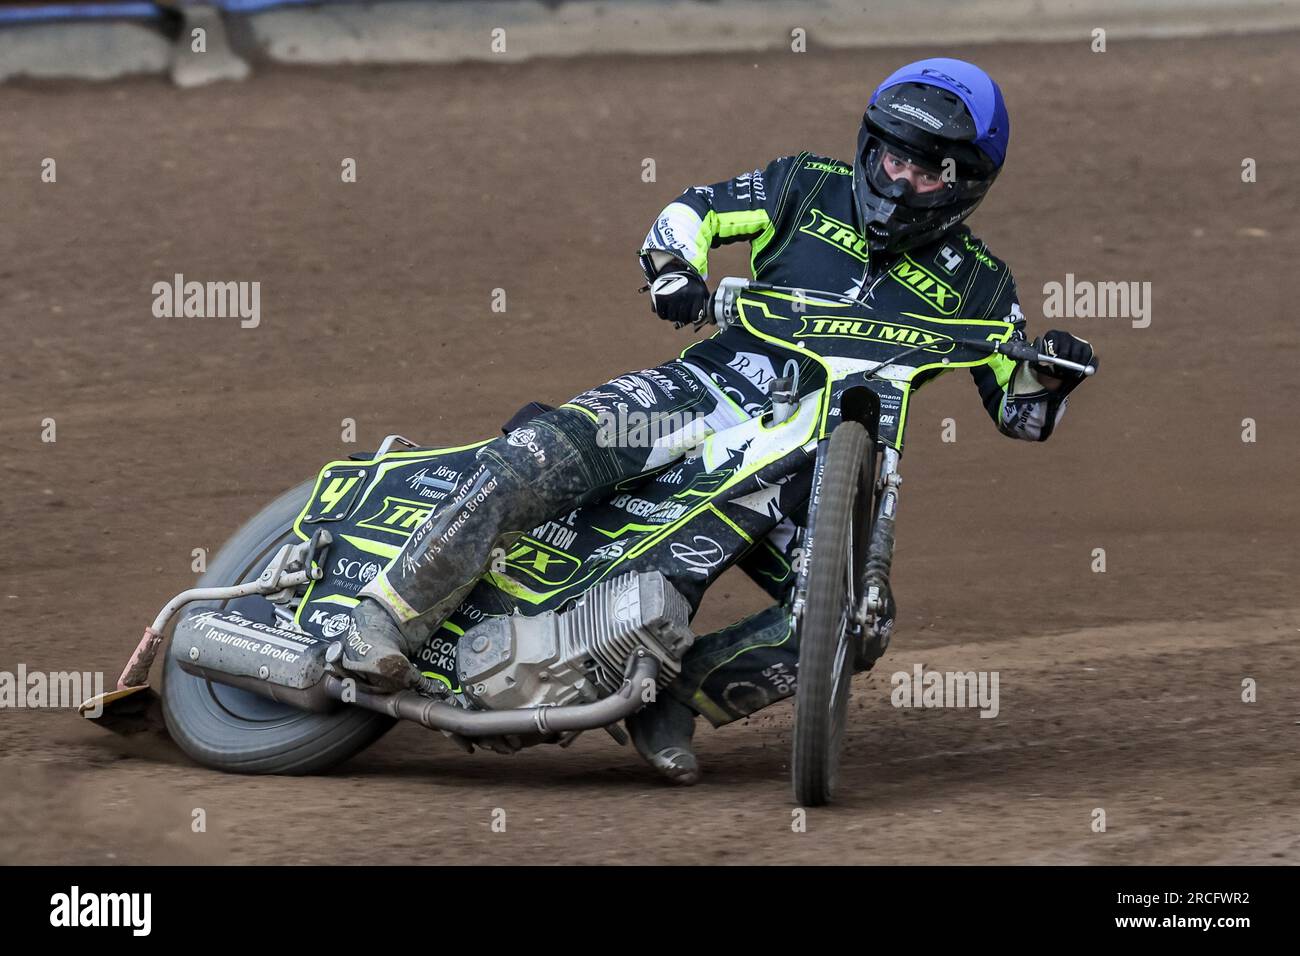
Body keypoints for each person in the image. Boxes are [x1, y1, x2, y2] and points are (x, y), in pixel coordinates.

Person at [343, 57, 1097, 785]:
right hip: (700, 391)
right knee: (538, 458)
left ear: (964, 185)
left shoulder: (983, 285)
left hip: (805, 479)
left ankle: (674, 702)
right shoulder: (806, 182)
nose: (900, 180)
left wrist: (1053, 372)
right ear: (870, 146)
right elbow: (694, 209)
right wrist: (675, 269)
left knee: (855, 627)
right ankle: (387, 618)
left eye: (926, 171)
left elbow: (1021, 416)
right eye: (892, 158)